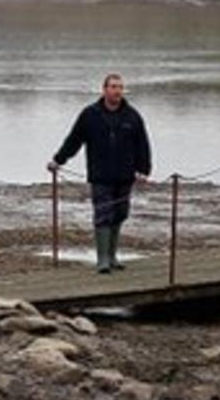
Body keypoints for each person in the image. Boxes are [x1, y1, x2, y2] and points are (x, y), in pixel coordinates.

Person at [48, 73, 151, 274]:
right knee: (103, 214)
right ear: (104, 90)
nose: (117, 91)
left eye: (120, 87)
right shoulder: (90, 114)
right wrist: (58, 160)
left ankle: (112, 256)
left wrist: (144, 170)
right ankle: (102, 260)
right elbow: (74, 141)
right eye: (113, 87)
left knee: (120, 214)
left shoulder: (132, 116)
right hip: (100, 175)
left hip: (125, 175)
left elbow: (143, 145)